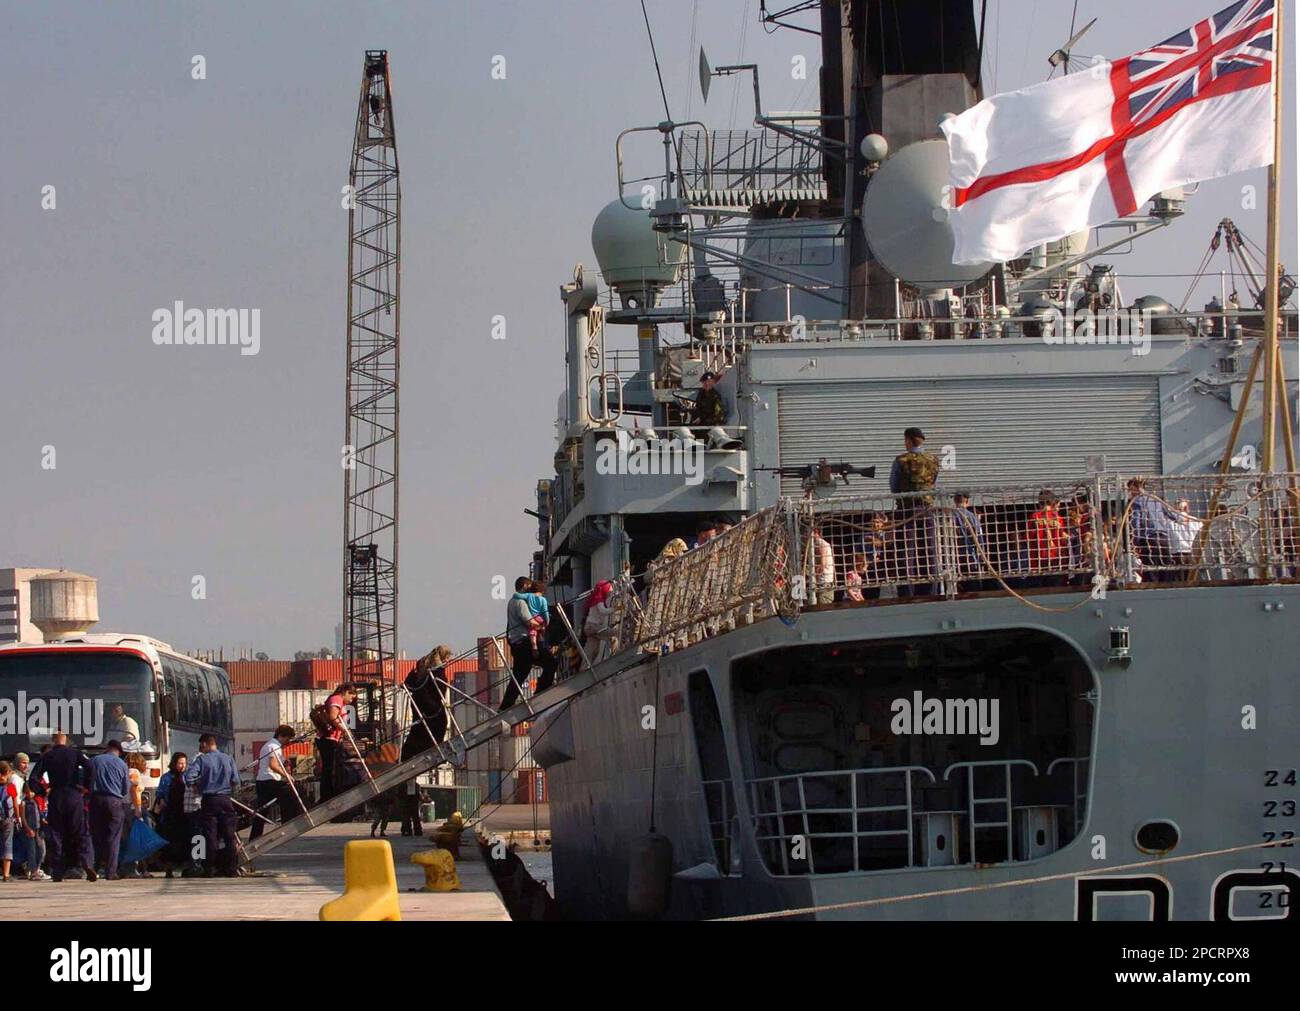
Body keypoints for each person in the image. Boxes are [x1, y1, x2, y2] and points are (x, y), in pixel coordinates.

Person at [30, 732, 96, 882]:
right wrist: (87, 787)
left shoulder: (47, 756)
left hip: (56, 796)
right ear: (66, 741)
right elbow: (90, 767)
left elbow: (33, 778)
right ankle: (86, 862)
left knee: (56, 833)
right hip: (74, 795)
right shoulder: (75, 753)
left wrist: (42, 791)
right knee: (81, 831)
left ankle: (58, 870)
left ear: (53, 741)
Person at [890, 427, 940, 596]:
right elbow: (933, 481)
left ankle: (907, 592)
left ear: (909, 440)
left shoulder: (901, 460)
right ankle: (931, 590)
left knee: (907, 551)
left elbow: (894, 486)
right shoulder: (933, 459)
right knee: (929, 550)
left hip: (906, 510)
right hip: (926, 509)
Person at [184, 734, 241, 877]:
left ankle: (209, 869)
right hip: (225, 799)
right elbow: (235, 780)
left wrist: (198, 784)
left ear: (204, 744)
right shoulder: (228, 759)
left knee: (211, 836)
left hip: (209, 800)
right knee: (229, 836)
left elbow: (188, 777)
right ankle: (232, 869)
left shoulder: (202, 760)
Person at [500, 577, 558, 711]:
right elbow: (529, 622)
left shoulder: (511, 602)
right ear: (525, 585)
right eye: (529, 586)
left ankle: (505, 706)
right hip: (525, 643)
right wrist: (542, 625)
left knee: (519, 674)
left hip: (517, 643)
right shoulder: (520, 602)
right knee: (551, 663)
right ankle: (540, 693)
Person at [88, 740, 130, 880]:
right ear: (119, 751)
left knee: (96, 835)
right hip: (114, 802)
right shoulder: (122, 764)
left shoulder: (94, 760)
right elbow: (125, 789)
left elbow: (85, 779)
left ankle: (94, 868)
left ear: (107, 748)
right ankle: (111, 872)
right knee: (113, 837)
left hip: (95, 800)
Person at [402, 647, 452, 763]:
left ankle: (403, 760)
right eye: (447, 659)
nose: (448, 662)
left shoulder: (423, 671)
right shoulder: (437, 672)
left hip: (422, 712)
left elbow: (410, 683)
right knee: (427, 738)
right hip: (432, 714)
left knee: (415, 740)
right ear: (443, 658)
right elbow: (439, 692)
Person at [249, 725, 297, 841]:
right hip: (269, 780)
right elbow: (273, 765)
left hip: (262, 781)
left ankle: (254, 837)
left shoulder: (270, 745)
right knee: (288, 794)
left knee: (262, 811)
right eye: (287, 738)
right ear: (281, 736)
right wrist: (287, 776)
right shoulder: (274, 746)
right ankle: (287, 821)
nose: (288, 741)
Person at [1126, 477, 1177, 582]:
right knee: (1165, 568)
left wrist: (1136, 541)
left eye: (1130, 489)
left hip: (1149, 539)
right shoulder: (1155, 499)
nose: (1130, 492)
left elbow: (1136, 522)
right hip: (1163, 538)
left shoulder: (1136, 502)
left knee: (1150, 570)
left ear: (1136, 488)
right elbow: (1172, 514)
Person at [316, 683, 358, 804]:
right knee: (329, 767)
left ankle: (330, 793)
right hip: (328, 739)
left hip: (332, 739)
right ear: (346, 692)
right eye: (351, 697)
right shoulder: (336, 699)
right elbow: (332, 717)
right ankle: (327, 795)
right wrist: (344, 730)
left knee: (331, 767)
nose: (351, 700)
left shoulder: (339, 701)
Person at [154, 752, 194, 878]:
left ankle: (186, 867)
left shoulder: (188, 776)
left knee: (186, 842)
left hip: (185, 814)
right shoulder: (166, 777)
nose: (182, 766)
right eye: (179, 763)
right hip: (170, 815)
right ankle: (169, 868)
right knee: (170, 843)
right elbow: (160, 793)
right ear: (174, 763)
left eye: (184, 763)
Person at [1026, 491, 1068, 586]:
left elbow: (1027, 538)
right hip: (1056, 558)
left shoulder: (1034, 517)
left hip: (1038, 559)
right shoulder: (1058, 518)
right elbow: (1062, 538)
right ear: (1052, 502)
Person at [952, 493, 987, 591]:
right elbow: (978, 538)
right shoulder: (972, 517)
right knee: (974, 589)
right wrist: (982, 557)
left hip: (953, 560)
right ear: (967, 501)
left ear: (954, 500)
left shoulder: (949, 515)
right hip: (970, 558)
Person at [1167, 497, 1204, 576]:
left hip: (1176, 554)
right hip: (1193, 554)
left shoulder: (1169, 523)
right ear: (1187, 508)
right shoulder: (1197, 522)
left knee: (1179, 579)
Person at [21, 778, 48, 881]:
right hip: (30, 829)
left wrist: (43, 820)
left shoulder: (36, 801)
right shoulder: (24, 803)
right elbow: (23, 817)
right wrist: (27, 828)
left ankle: (38, 867)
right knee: (32, 850)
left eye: (32, 791)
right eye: (28, 792)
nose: (31, 794)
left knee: (42, 849)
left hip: (39, 829)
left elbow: (40, 814)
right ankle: (33, 871)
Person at [0, 761, 18, 882]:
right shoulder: (10, 786)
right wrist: (17, 817)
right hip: (7, 818)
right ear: (8, 773)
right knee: (7, 843)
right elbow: (15, 804)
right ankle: (6, 874)